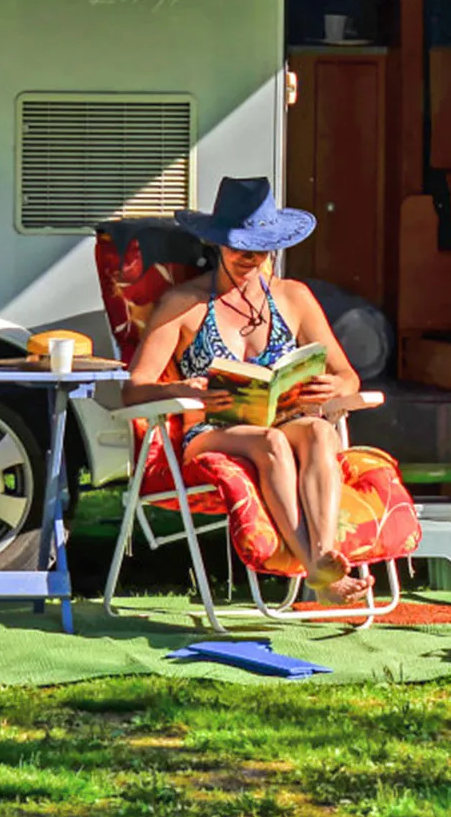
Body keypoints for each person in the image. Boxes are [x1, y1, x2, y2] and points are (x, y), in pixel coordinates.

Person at [121, 176, 371, 603]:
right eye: (239, 247)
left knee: (319, 431)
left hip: (284, 419)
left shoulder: (293, 298)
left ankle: (325, 554)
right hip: (212, 430)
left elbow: (347, 374)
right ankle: (317, 570)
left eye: (260, 248)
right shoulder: (184, 304)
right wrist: (185, 391)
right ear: (218, 243)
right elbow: (134, 388)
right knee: (271, 442)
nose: (250, 258)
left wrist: (335, 385)